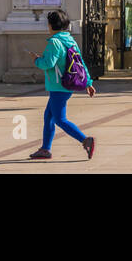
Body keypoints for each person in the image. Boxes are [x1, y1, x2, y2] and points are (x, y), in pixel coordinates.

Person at [30, 9, 97, 160]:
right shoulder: (69, 39)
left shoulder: (54, 41)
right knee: (48, 116)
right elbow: (80, 63)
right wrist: (88, 82)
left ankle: (85, 140)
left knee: (60, 119)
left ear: (51, 25)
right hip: (66, 85)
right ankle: (45, 149)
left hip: (59, 86)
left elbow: (48, 64)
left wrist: (36, 59)